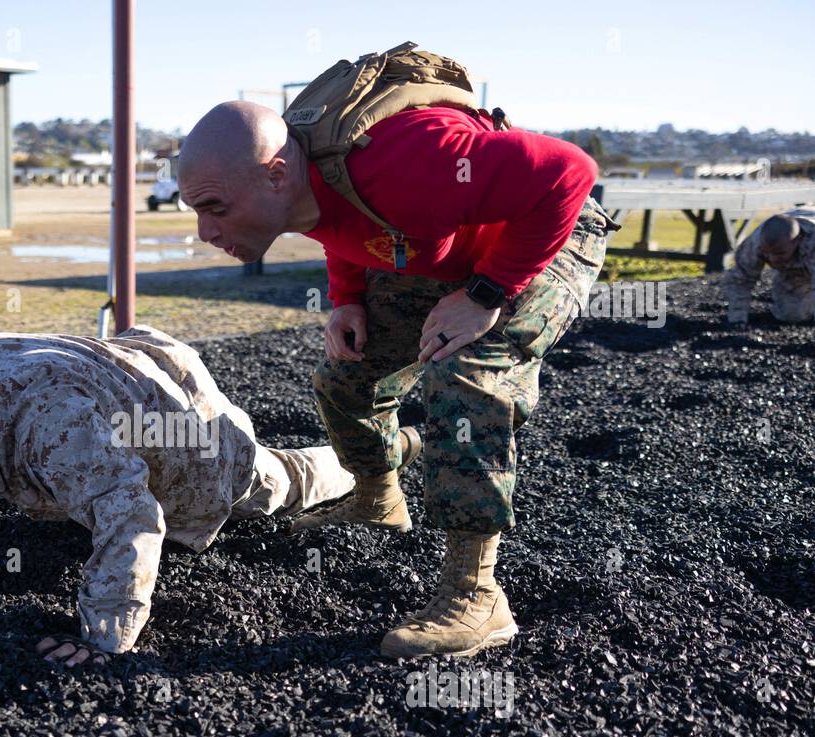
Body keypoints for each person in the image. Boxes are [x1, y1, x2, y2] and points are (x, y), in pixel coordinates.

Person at [177, 89, 617, 660]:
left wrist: (487, 292)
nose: (206, 232)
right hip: (443, 248)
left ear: (277, 175)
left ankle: (476, 595)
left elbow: (571, 170)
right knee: (346, 375)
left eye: (214, 208)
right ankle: (379, 498)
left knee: (467, 376)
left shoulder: (411, 160)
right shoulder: (306, 186)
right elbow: (340, 222)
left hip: (548, 234)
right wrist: (348, 299)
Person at [0, 326, 359, 666]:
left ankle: (369, 460)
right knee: (83, 476)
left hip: (189, 434)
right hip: (120, 374)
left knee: (280, 481)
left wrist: (104, 635)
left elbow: (133, 515)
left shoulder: (55, 432)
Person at [722, 210, 815, 327]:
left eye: (780, 253)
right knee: (791, 315)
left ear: (797, 240)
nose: (773, 259)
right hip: (794, 269)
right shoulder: (755, 243)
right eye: (767, 253)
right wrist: (738, 319)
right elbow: (740, 280)